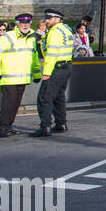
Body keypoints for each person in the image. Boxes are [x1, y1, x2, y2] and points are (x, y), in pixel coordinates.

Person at [0, 13, 39, 137]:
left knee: (16, 104)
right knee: (8, 104)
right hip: (9, 77)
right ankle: (2, 128)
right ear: (17, 24)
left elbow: (33, 56)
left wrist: (36, 73)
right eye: (23, 23)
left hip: (23, 77)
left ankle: (8, 126)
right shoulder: (9, 36)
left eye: (28, 23)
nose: (25, 25)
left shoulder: (31, 37)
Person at [31, 9, 76, 137]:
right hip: (66, 66)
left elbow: (52, 53)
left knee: (45, 97)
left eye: (49, 18)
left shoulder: (55, 32)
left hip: (56, 68)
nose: (47, 20)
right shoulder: (66, 30)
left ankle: (45, 126)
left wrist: (46, 72)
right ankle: (61, 123)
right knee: (58, 96)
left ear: (57, 19)